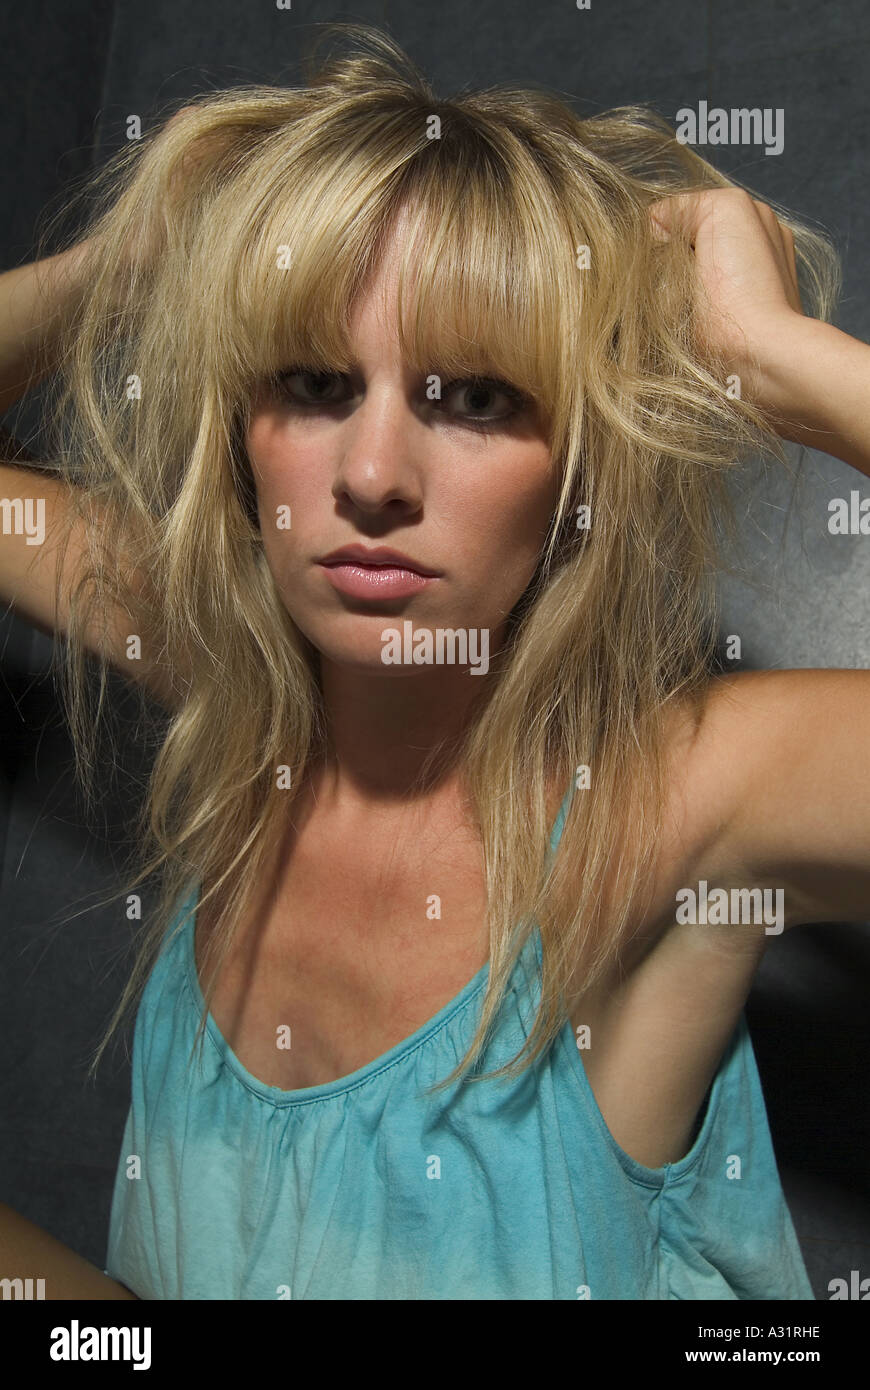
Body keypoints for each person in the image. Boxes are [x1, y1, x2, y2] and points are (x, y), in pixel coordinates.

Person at [2, 22, 870, 1300]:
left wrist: (777, 362)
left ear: (578, 463)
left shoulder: (680, 797)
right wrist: (117, 269)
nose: (368, 478)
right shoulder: (232, 693)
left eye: (475, 398)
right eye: (309, 381)